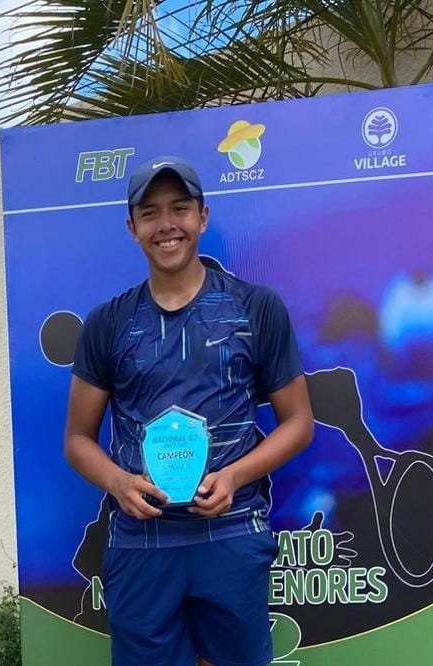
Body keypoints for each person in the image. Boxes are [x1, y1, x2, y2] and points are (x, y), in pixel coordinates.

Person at [65, 156, 313, 666]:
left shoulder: (255, 307)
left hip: (232, 530)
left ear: (203, 216)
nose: (167, 224)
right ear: (133, 228)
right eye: (151, 213)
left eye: (180, 208)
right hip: (141, 543)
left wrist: (234, 477)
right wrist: (117, 483)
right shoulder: (107, 324)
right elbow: (78, 440)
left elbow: (299, 423)